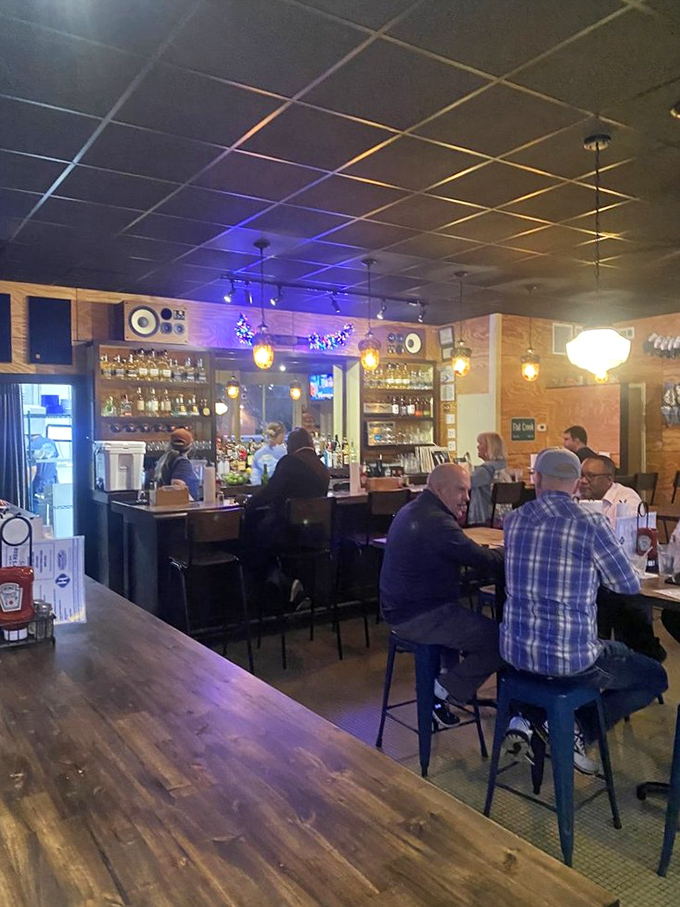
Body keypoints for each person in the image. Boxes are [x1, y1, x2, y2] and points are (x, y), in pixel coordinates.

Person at [501, 448, 668, 774]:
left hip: (514, 653)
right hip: (570, 659)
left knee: (609, 647)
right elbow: (626, 585)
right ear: (577, 483)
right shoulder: (590, 523)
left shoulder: (514, 520)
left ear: (536, 480)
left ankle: (530, 718)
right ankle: (580, 728)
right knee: (654, 677)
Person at [380, 463, 504, 728]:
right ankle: (444, 689)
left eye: (468, 491)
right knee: (502, 640)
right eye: (461, 490)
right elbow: (481, 559)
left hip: (400, 610)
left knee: (460, 618)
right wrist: (511, 551)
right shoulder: (437, 522)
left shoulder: (414, 509)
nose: (467, 498)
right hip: (419, 615)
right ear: (439, 488)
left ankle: (443, 692)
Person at [580, 455, 665, 662]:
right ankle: (601, 653)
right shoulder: (577, 496)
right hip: (592, 574)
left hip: (625, 571)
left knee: (621, 598)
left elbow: (630, 545)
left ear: (609, 479)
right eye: (581, 475)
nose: (583, 481)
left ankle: (639, 653)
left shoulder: (627, 499)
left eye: (590, 476)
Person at [468, 431, 511, 525]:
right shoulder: (503, 467)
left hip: (484, 518)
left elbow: (465, 483)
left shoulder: (486, 470)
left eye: (480, 444)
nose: (477, 447)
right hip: (503, 517)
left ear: (490, 447)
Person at [155, 428, 200, 501]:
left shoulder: (166, 459)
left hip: (168, 506)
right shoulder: (183, 463)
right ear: (190, 446)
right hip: (183, 509)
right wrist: (192, 503)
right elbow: (177, 487)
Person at [29, 420, 59, 512]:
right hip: (52, 481)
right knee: (52, 509)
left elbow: (32, 469)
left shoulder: (31, 446)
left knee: (35, 509)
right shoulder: (50, 442)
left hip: (38, 483)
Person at [250, 422, 287, 486]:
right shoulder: (284, 452)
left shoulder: (258, 454)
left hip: (262, 490)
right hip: (281, 490)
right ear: (281, 435)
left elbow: (254, 477)